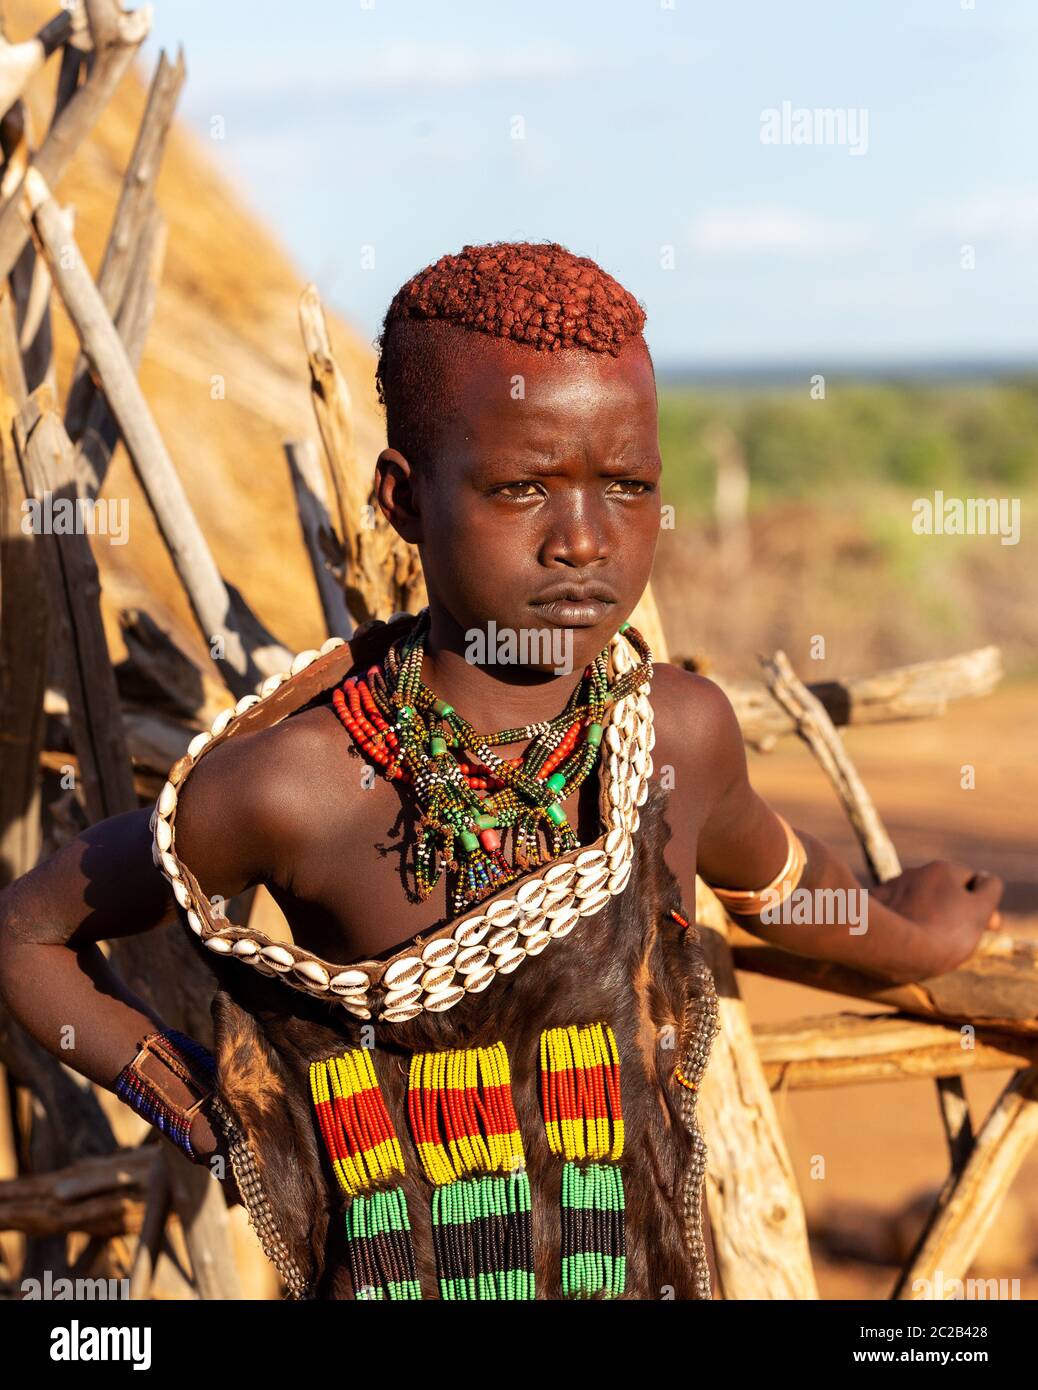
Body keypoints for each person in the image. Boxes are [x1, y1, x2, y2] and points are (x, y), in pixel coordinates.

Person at [0, 241, 1003, 1301]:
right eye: (522, 488)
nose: (582, 540)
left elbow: (780, 885)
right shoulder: (300, 787)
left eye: (627, 486)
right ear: (403, 500)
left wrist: (910, 931)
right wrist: (221, 1120)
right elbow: (26, 933)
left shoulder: (672, 736)